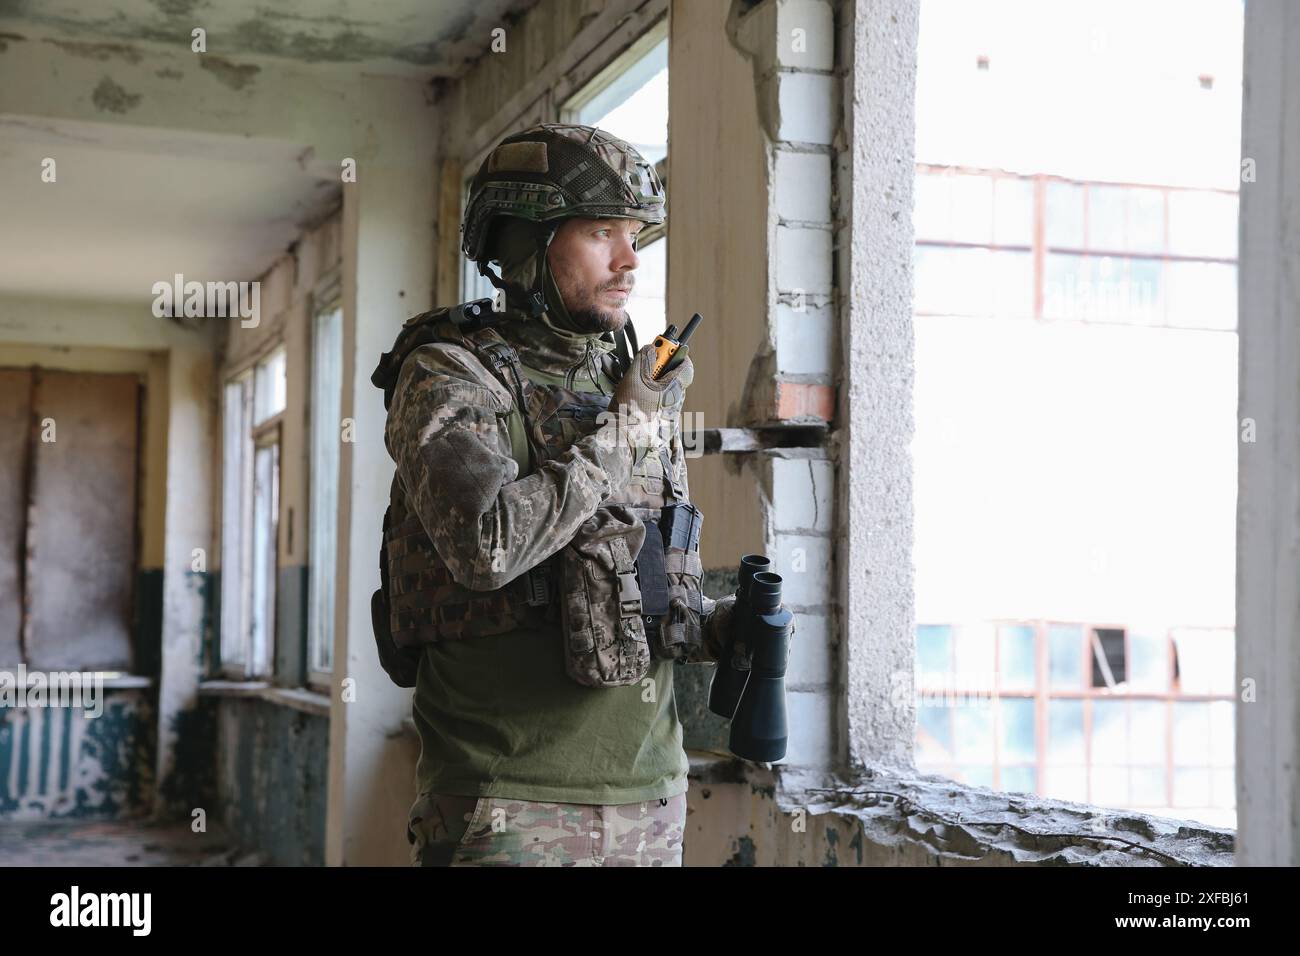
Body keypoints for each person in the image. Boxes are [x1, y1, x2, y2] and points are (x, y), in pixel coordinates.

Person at [377, 124, 736, 866]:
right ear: (521, 247)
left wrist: (720, 626)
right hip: (504, 801)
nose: (630, 259)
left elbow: (638, 586)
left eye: (635, 235)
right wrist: (628, 425)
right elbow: (488, 548)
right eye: (603, 232)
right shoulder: (450, 374)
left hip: (651, 794)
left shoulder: (631, 385)